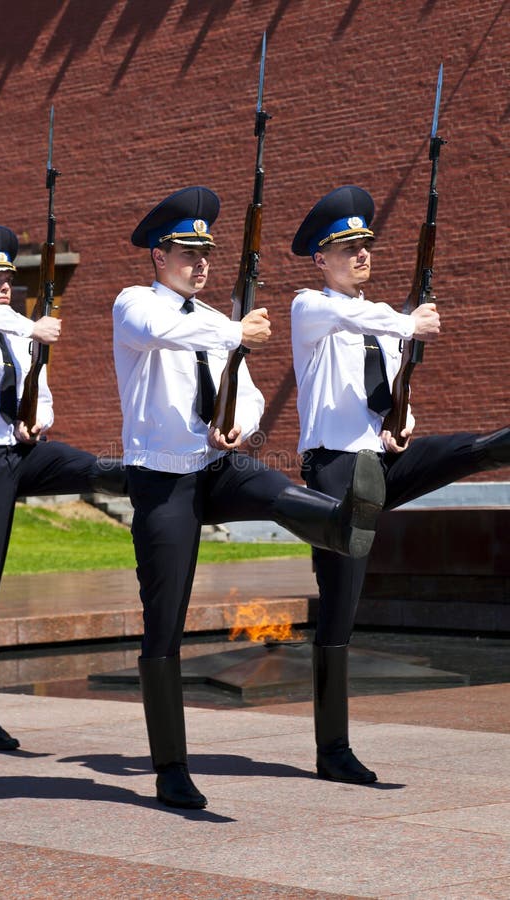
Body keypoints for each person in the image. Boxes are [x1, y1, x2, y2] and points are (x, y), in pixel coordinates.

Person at [113, 185, 387, 810]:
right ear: (159, 256)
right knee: (165, 621)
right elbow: (161, 332)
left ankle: (344, 522)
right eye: (187, 252)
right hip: (161, 478)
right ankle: (171, 767)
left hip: (215, 464)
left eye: (205, 252)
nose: (200, 262)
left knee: (273, 485)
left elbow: (253, 393)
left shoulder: (218, 321)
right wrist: (235, 329)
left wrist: (238, 421)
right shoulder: (135, 304)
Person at [290, 184, 510, 785]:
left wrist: (401, 426)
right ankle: (331, 749)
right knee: (341, 609)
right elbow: (352, 314)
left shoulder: (384, 323)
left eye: (365, 245)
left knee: (464, 449)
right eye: (346, 247)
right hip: (335, 473)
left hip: (379, 462)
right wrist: (409, 321)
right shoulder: (310, 308)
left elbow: (391, 402)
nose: (361, 254)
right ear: (321, 258)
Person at [0, 225, 124, 753]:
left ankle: (164, 481)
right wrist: (32, 325)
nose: (2, 285)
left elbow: (39, 392)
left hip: (24, 453)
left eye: (7, 278)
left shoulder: (20, 333)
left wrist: (35, 421)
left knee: (94, 467)